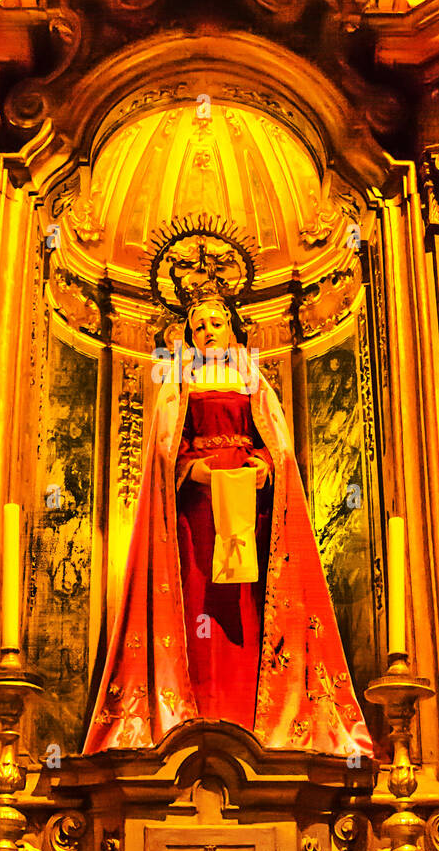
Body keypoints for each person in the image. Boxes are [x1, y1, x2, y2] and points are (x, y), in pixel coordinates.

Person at [84, 292, 372, 758]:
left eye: (216, 322)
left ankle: (257, 724)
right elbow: (162, 453)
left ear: (234, 328)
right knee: (199, 607)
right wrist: (187, 469)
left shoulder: (255, 383)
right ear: (189, 338)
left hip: (250, 516)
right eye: (198, 327)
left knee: (249, 609)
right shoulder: (178, 386)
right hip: (196, 517)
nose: (208, 331)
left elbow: (276, 447)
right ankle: (189, 720)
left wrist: (262, 467)